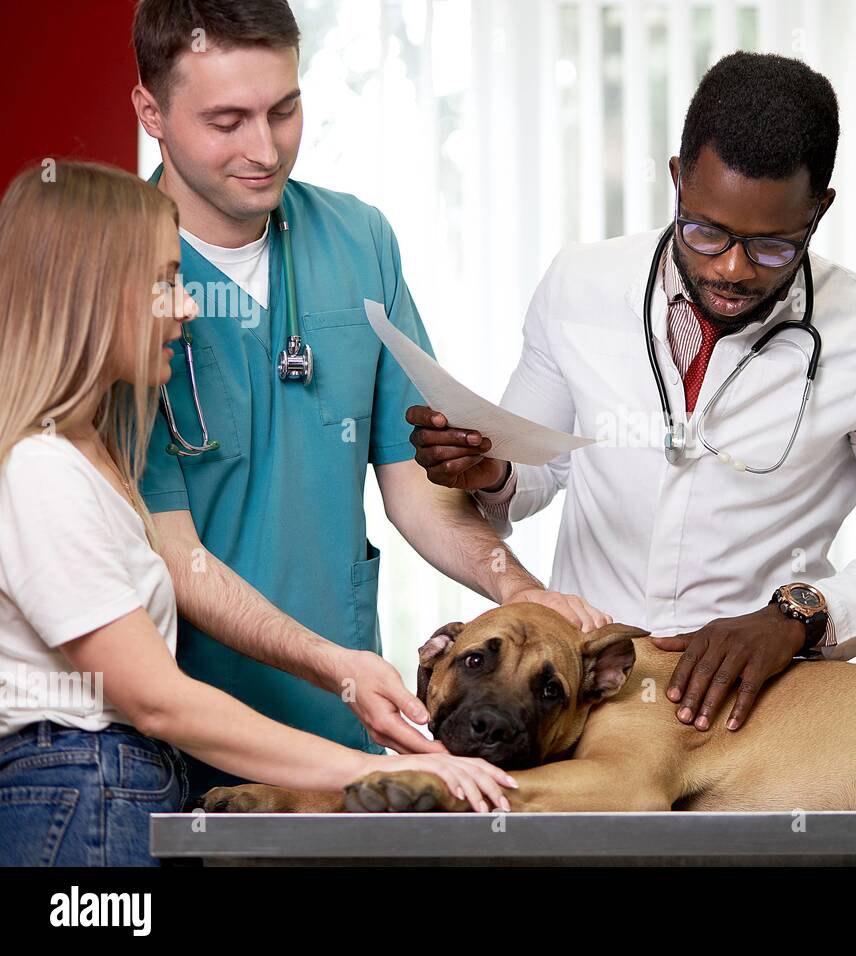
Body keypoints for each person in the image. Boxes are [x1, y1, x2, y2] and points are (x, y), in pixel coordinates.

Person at [409, 52, 856, 733]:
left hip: (757, 703)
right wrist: (492, 470)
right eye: (706, 231)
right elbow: (539, 467)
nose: (731, 268)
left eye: (771, 247)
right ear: (677, 181)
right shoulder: (579, 285)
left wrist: (796, 617)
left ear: (819, 211)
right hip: (588, 693)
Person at [129, 0, 607, 799]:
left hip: (340, 719)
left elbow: (414, 486)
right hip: (176, 718)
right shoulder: (112, 271)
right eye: (227, 120)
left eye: (284, 109)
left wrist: (515, 588)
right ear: (151, 111)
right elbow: (173, 553)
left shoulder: (358, 242)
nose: (264, 147)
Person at [0, 162, 515, 867]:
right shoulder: (43, 473)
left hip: (120, 787)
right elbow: (159, 702)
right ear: (88, 298)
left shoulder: (88, 459)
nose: (185, 307)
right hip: (85, 791)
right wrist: (366, 769)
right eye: (162, 284)